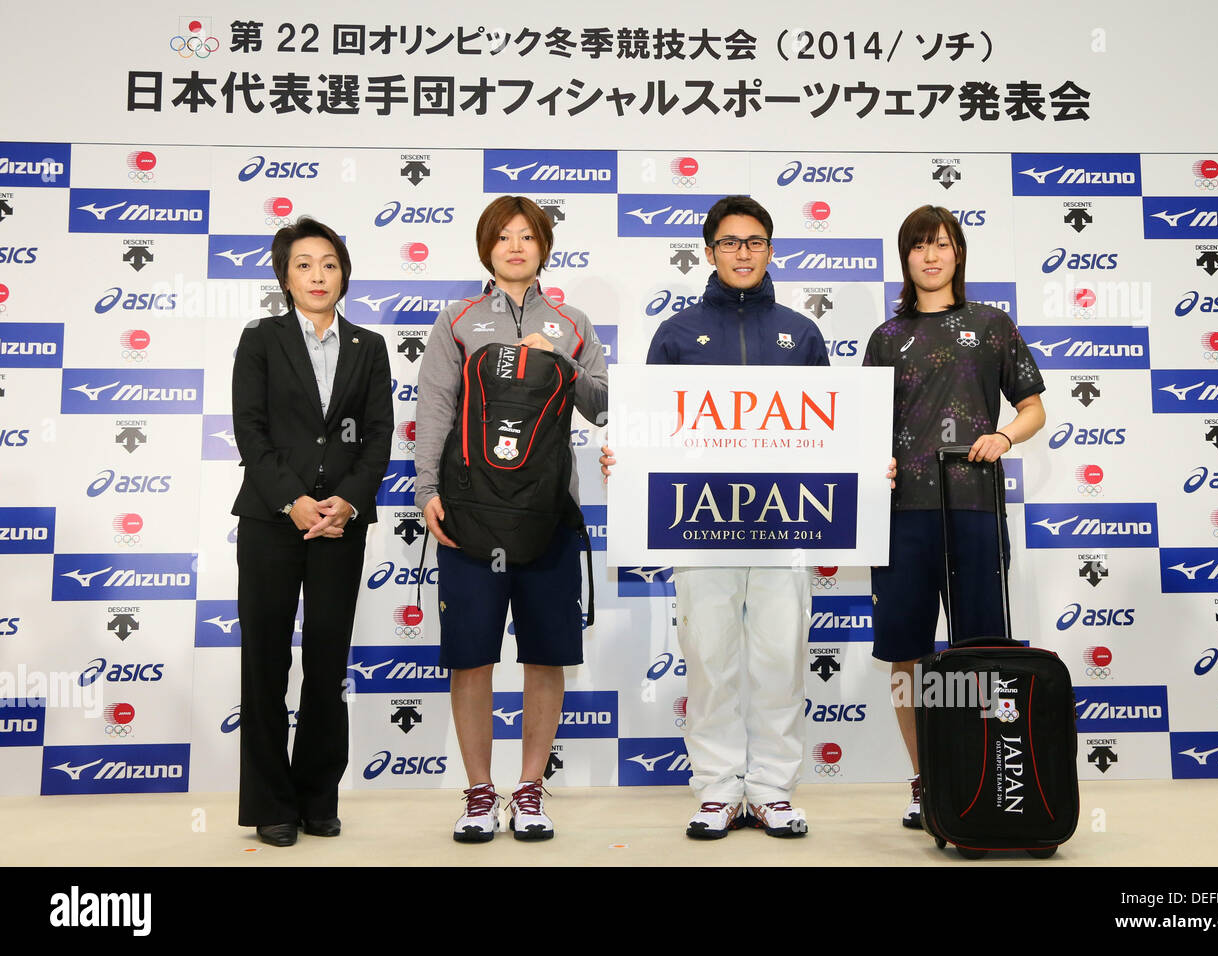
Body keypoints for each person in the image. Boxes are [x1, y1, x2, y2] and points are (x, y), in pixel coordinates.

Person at [603, 195, 836, 839]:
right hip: (699, 518)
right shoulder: (677, 333)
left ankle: (771, 788)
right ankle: (715, 787)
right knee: (708, 654)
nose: (742, 252)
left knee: (780, 655)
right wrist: (628, 456)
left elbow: (834, 432)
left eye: (754, 241)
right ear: (709, 252)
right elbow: (651, 425)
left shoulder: (802, 333)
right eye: (729, 242)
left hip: (787, 520)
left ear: (770, 249)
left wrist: (855, 492)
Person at [414, 196, 607, 843]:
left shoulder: (572, 323)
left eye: (528, 236)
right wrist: (427, 490)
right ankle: (477, 793)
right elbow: (435, 407)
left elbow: (604, 406)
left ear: (544, 247)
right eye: (504, 236)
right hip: (470, 515)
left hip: (547, 514)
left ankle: (528, 790)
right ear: (486, 247)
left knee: (545, 655)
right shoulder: (458, 319)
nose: (516, 246)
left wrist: (561, 360)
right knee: (471, 657)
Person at [863, 204, 1045, 829]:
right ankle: (924, 781)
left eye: (942, 244)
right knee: (907, 655)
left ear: (958, 253)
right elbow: (866, 428)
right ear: (905, 258)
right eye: (919, 246)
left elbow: (1032, 408)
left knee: (982, 652)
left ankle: (983, 772)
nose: (931, 256)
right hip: (903, 513)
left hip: (973, 508)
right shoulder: (887, 337)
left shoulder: (992, 325)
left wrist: (1006, 437)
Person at [232, 216, 394, 847]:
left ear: (344, 273)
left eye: (329, 263)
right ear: (284, 275)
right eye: (304, 264)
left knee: (327, 665)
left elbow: (377, 436)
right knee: (265, 663)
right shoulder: (261, 340)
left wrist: (346, 503)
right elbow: (250, 429)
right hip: (272, 523)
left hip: (341, 527)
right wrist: (294, 500)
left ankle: (318, 797)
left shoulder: (368, 345)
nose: (318, 275)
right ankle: (271, 804)